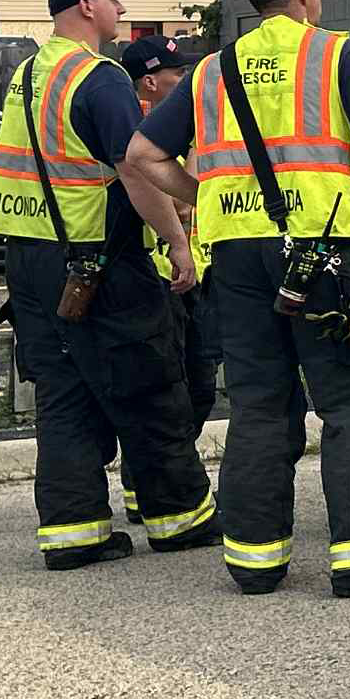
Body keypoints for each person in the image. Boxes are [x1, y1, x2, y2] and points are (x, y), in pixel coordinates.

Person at [121, 0, 350, 599]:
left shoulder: (213, 69)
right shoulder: (333, 53)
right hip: (325, 249)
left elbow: (141, 154)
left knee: (261, 401)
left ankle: (255, 558)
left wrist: (204, 195)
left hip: (238, 256)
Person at [0, 0, 218, 569]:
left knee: (64, 396)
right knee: (147, 381)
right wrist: (178, 240)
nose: (120, 9)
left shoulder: (28, 74)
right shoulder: (99, 77)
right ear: (87, 7)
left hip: (27, 261)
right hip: (96, 260)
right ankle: (178, 519)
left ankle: (73, 531)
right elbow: (136, 167)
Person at [116, 34, 223, 525]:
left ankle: (149, 485)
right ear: (151, 81)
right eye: (178, 76)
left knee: (198, 387)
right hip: (162, 275)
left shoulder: (179, 127)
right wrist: (198, 153)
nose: (187, 82)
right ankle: (151, 488)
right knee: (173, 389)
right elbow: (180, 201)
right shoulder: (142, 129)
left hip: (197, 272)